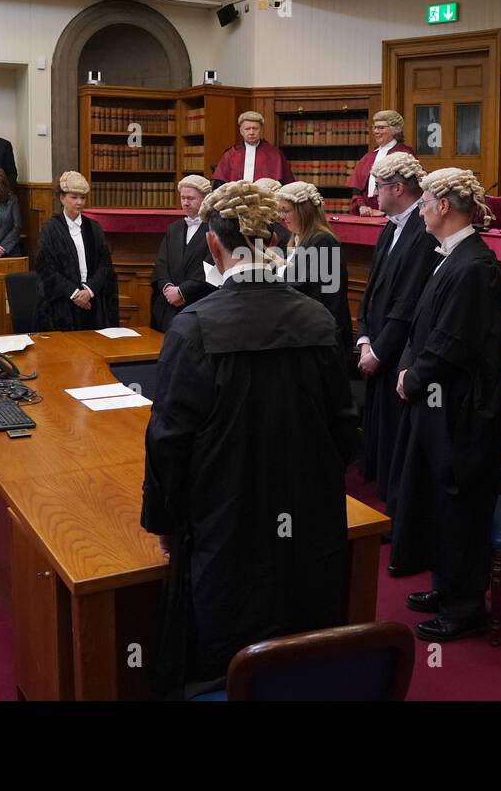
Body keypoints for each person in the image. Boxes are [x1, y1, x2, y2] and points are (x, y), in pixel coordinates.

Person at [141, 180, 356, 698]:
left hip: (225, 527)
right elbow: (344, 428)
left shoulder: (192, 328)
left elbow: (169, 440)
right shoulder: (317, 320)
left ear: (212, 246)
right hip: (310, 524)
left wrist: (164, 521)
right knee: (301, 650)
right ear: (275, 243)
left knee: (228, 660)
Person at [388, 167, 501, 642]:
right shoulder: (453, 257)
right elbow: (430, 326)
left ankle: (464, 608)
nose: (419, 209)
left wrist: (414, 376)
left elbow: (453, 339)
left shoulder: (475, 265)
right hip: (441, 405)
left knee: (459, 507)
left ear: (443, 206)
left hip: (463, 411)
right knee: (438, 500)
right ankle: (445, 585)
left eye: (424, 202)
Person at [353, 152, 441, 497]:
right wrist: (363, 337)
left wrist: (379, 350)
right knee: (378, 435)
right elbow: (371, 286)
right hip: (377, 345)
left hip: (398, 354)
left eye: (378, 188)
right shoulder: (391, 225)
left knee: (395, 438)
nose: (374, 196)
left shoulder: (422, 229)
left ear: (398, 188)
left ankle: (392, 511)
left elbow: (408, 301)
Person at [33, 171, 118, 330]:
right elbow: (46, 269)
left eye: (83, 198)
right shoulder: (50, 229)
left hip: (92, 300)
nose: (79, 202)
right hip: (63, 303)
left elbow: (104, 265)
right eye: (74, 197)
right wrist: (74, 293)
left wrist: (88, 291)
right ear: (62, 198)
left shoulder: (94, 227)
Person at [275, 181, 352, 355]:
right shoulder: (297, 240)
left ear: (304, 211)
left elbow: (311, 291)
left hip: (320, 338)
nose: (281, 216)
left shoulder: (322, 241)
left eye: (286, 210)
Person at [150, 174, 215, 332]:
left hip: (197, 303)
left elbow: (211, 267)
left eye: (191, 198)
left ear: (205, 199)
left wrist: (182, 291)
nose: (185, 203)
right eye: (183, 198)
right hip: (168, 305)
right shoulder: (174, 228)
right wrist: (167, 288)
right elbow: (161, 264)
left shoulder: (214, 229)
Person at [346, 110, 415, 215]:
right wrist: (362, 207)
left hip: (394, 216)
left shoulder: (404, 155)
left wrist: (384, 212)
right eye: (375, 127)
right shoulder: (368, 157)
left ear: (395, 130)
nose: (376, 131)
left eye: (381, 127)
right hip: (367, 215)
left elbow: (408, 190)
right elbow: (357, 189)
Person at [211, 111, 294, 186]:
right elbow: (219, 183)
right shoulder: (230, 154)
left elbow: (287, 184)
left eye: (255, 128)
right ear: (241, 131)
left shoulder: (274, 154)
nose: (251, 132)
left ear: (261, 130)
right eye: (247, 129)